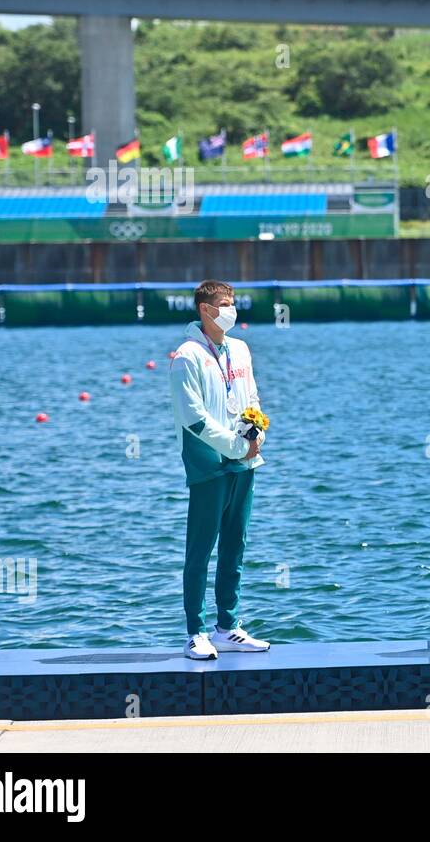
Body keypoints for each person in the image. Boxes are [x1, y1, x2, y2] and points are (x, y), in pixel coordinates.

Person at [170, 280, 271, 659]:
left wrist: (255, 433)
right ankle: (195, 632)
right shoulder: (187, 356)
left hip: (245, 460)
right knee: (200, 549)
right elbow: (191, 417)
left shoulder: (241, 349)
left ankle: (228, 626)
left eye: (232, 303)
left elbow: (252, 397)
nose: (232, 310)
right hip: (208, 463)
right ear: (205, 310)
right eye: (225, 304)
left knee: (235, 544)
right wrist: (233, 445)